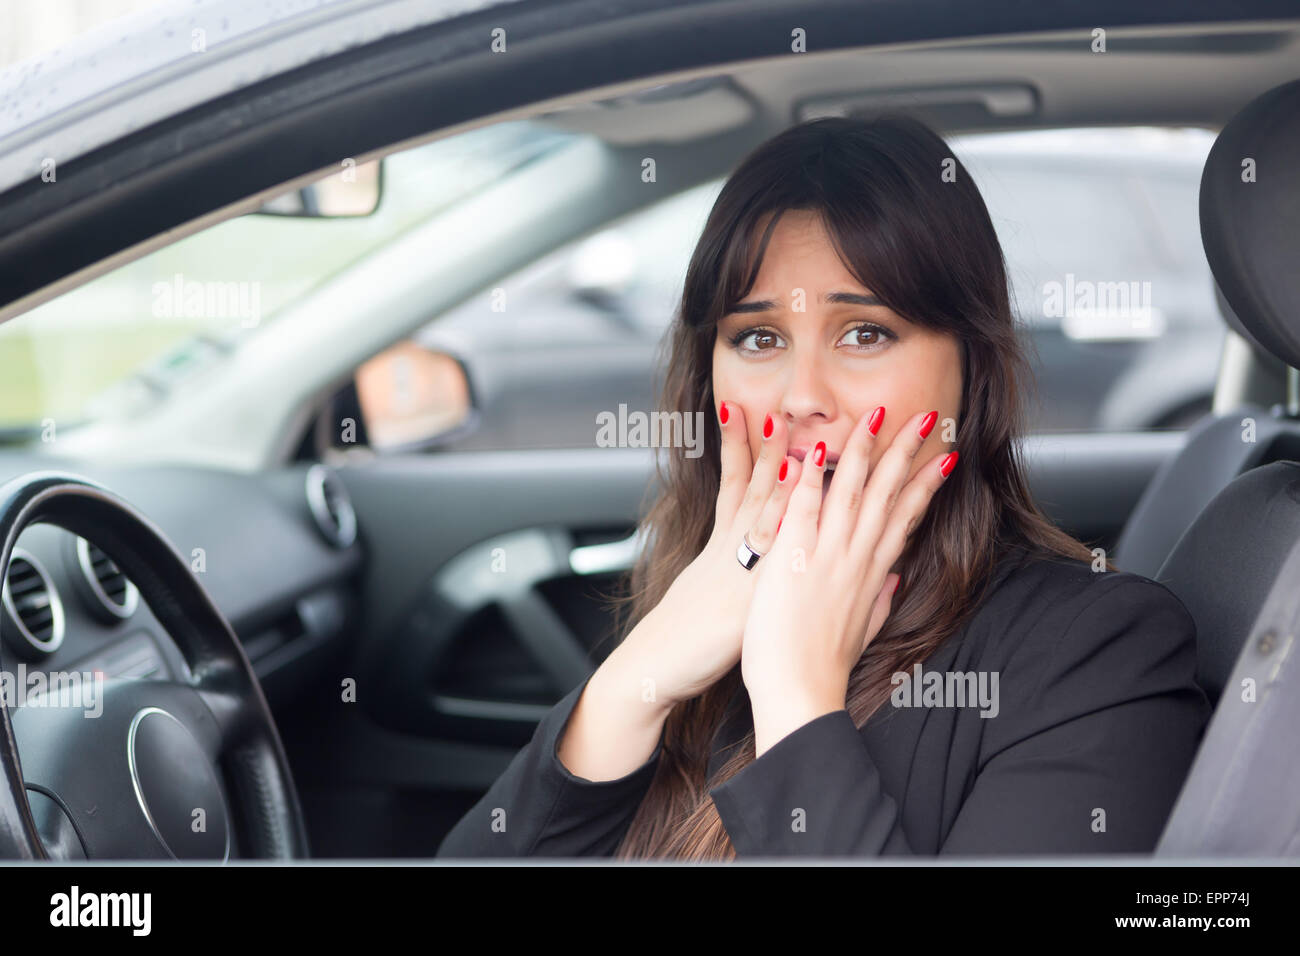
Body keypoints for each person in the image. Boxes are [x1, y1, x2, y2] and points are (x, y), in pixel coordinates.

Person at [435, 114, 1211, 860]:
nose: (801, 395)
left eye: (865, 333)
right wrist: (635, 681)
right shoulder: (706, 602)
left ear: (972, 366)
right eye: (759, 337)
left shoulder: (1098, 654)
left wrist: (797, 700)